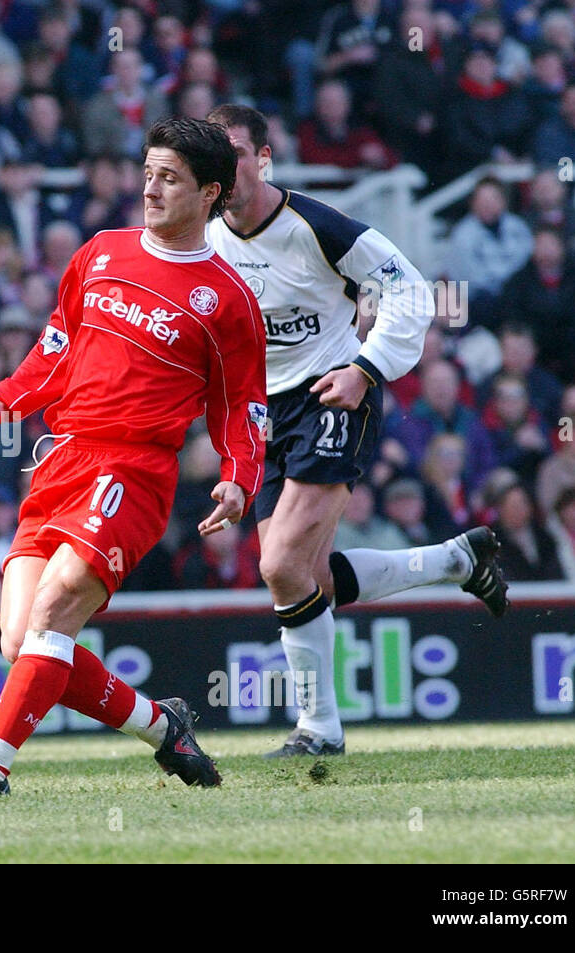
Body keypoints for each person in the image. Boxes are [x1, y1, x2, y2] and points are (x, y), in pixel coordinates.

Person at [0, 117, 267, 797]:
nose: (150, 188)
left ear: (209, 192)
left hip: (132, 471)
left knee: (55, 611)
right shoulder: (100, 253)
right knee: (20, 641)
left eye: (168, 178)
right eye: (147, 172)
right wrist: (4, 400)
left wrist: (239, 478)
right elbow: (55, 347)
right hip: (60, 462)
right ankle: (162, 726)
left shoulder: (227, 300)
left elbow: (241, 407)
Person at [205, 104, 508, 758]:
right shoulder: (205, 241)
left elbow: (409, 289)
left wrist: (366, 368)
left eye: (234, 153)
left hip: (333, 397)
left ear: (264, 158)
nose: (224, 169)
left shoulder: (318, 225)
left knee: (280, 563)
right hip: (265, 419)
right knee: (305, 576)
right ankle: (458, 559)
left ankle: (319, 728)